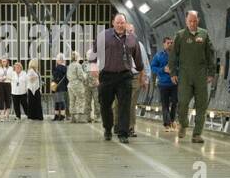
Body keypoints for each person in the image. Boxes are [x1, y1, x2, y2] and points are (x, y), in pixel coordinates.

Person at [91, 13, 145, 142]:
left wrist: (142, 75)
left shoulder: (132, 39)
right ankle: (108, 129)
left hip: (125, 76)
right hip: (106, 76)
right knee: (105, 105)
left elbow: (138, 60)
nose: (120, 25)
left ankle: (123, 133)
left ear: (126, 24)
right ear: (113, 23)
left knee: (124, 105)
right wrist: (92, 65)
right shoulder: (103, 36)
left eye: (123, 23)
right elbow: (93, 53)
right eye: (118, 22)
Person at [171, 9, 216, 143]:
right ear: (186, 21)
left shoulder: (204, 34)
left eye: (194, 21)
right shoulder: (180, 35)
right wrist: (173, 72)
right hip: (184, 75)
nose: (192, 23)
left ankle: (197, 134)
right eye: (190, 21)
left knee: (201, 105)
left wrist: (211, 73)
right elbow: (173, 55)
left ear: (198, 21)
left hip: (201, 75)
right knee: (183, 102)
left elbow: (210, 55)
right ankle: (183, 124)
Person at [151, 36, 178, 130]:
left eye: (171, 43)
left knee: (175, 102)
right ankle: (167, 123)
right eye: (168, 43)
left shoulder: (177, 56)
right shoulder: (158, 56)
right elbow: (153, 68)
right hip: (163, 84)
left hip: (175, 83)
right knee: (165, 104)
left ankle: (172, 119)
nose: (170, 44)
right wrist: (163, 69)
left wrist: (175, 70)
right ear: (164, 44)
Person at [66, 51, 89, 122]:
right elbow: (81, 76)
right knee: (81, 99)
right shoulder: (78, 65)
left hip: (70, 85)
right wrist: (86, 76)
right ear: (77, 57)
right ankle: (80, 118)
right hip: (77, 84)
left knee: (72, 101)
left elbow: (67, 76)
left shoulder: (69, 65)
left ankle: (73, 118)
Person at [51, 54, 68, 121]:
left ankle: (57, 115)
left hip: (55, 86)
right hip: (62, 86)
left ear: (60, 60)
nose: (56, 61)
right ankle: (62, 115)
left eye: (57, 59)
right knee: (61, 101)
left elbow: (54, 76)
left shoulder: (57, 68)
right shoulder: (66, 68)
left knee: (57, 101)